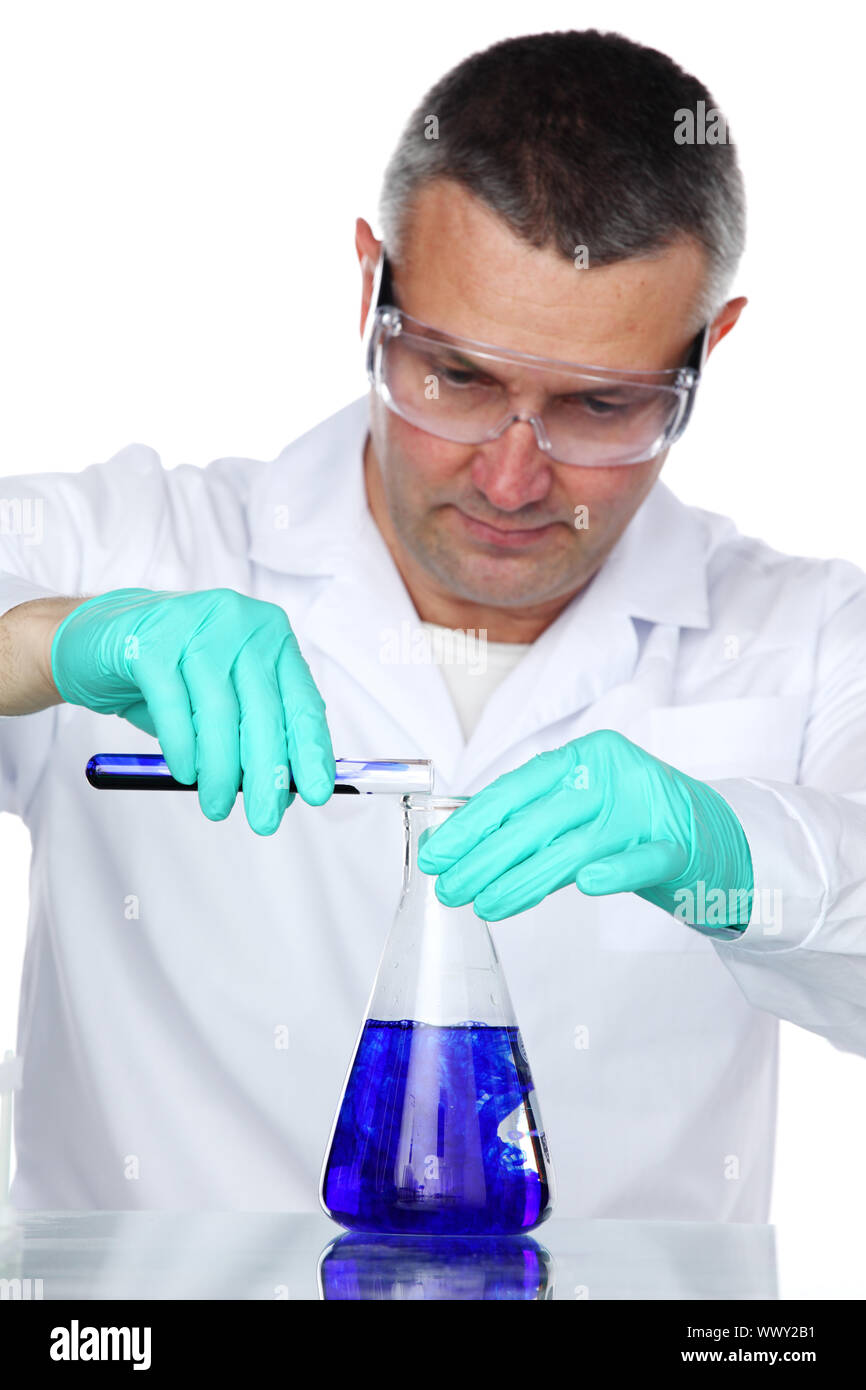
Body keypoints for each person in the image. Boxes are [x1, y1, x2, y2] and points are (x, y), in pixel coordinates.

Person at [0, 28, 864, 1222]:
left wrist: (724, 854)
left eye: (599, 404)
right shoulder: (135, 540)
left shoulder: (812, 633)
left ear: (706, 352)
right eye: (454, 377)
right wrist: (45, 642)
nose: (511, 479)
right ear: (371, 285)